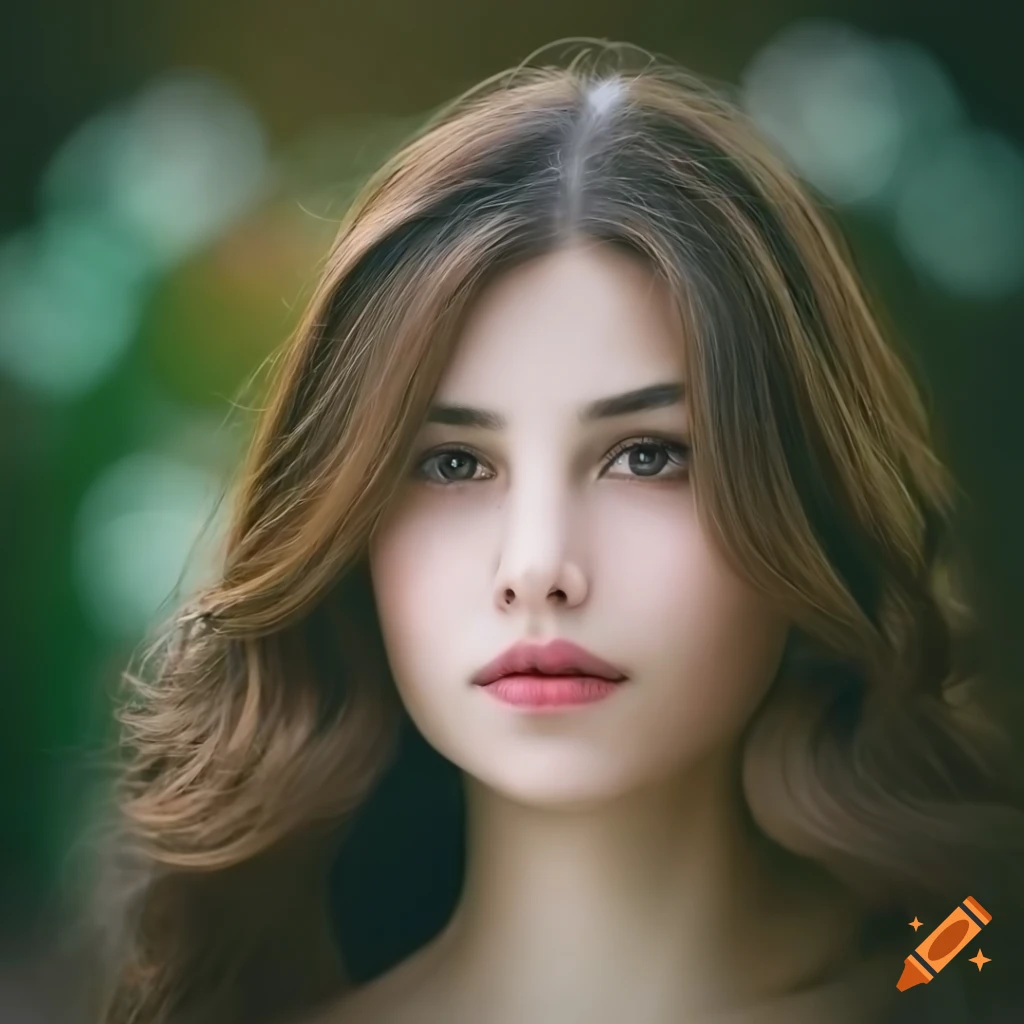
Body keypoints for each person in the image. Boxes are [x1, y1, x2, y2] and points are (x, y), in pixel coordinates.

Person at [91, 41, 1024, 1024]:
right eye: (452, 463)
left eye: (647, 456)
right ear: (345, 522)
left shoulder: (965, 972)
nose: (538, 566)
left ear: (806, 495)